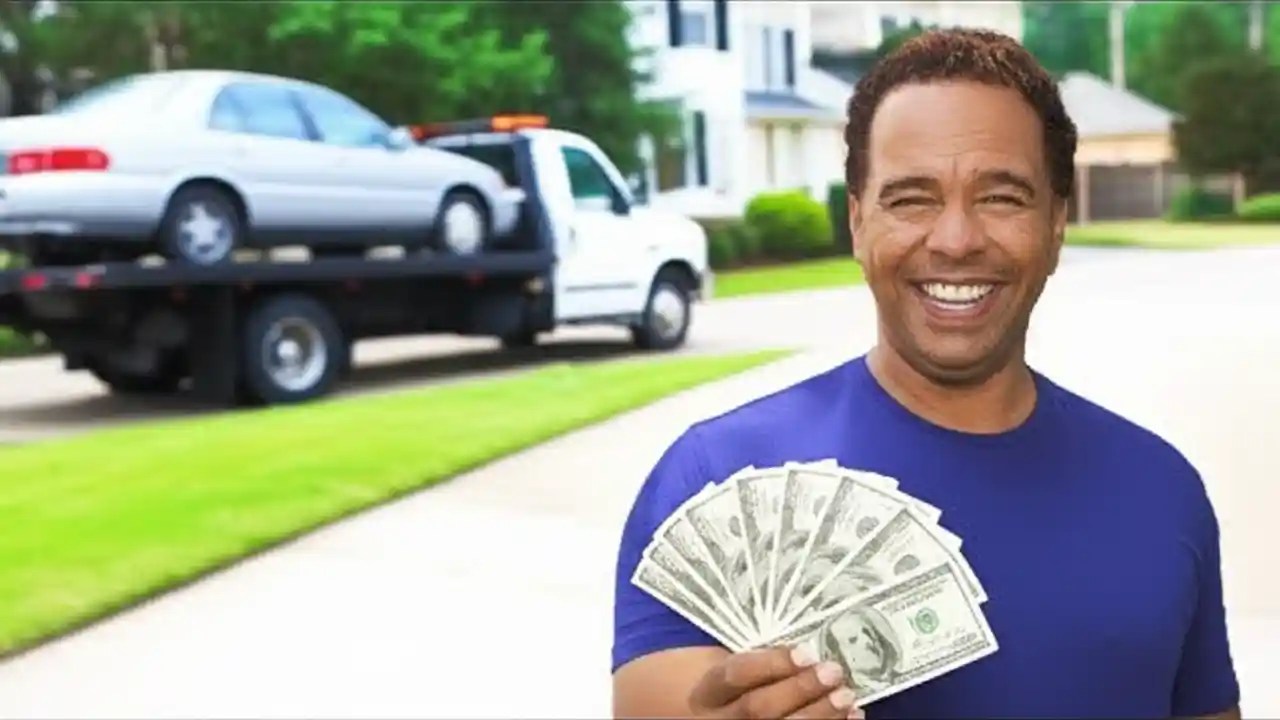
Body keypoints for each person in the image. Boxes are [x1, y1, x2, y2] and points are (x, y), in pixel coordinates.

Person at [610, 28, 1241, 720]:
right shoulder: (712, 478)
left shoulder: (1161, 489)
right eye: (911, 198)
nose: (956, 238)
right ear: (857, 223)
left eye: (1002, 197)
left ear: (1057, 224)